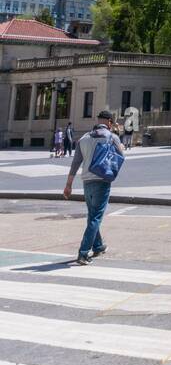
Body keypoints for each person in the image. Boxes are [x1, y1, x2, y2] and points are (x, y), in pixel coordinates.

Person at [62, 109, 124, 265]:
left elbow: (76, 163)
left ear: (98, 120)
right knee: (96, 217)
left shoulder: (84, 137)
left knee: (92, 215)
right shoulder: (112, 137)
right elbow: (121, 155)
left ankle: (98, 245)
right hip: (102, 180)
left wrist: (68, 185)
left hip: (86, 181)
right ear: (109, 122)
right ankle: (83, 252)